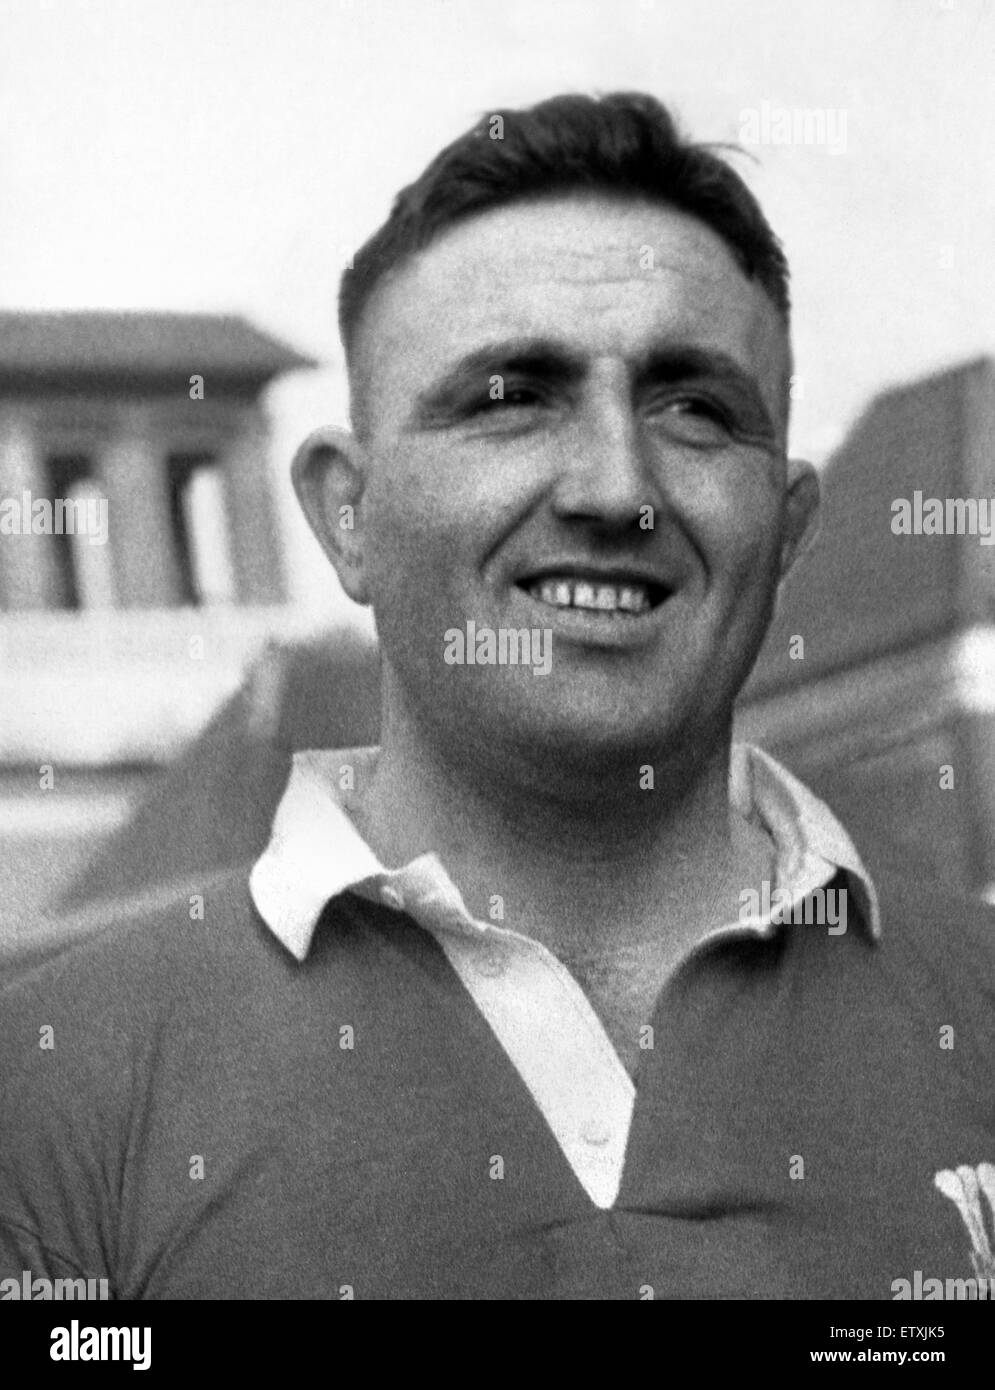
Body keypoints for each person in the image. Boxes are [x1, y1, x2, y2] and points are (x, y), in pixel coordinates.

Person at [2, 92, 992, 1302]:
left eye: (695, 406)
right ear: (346, 515)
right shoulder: (48, 1091)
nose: (615, 487)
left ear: (784, 528)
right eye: (508, 397)